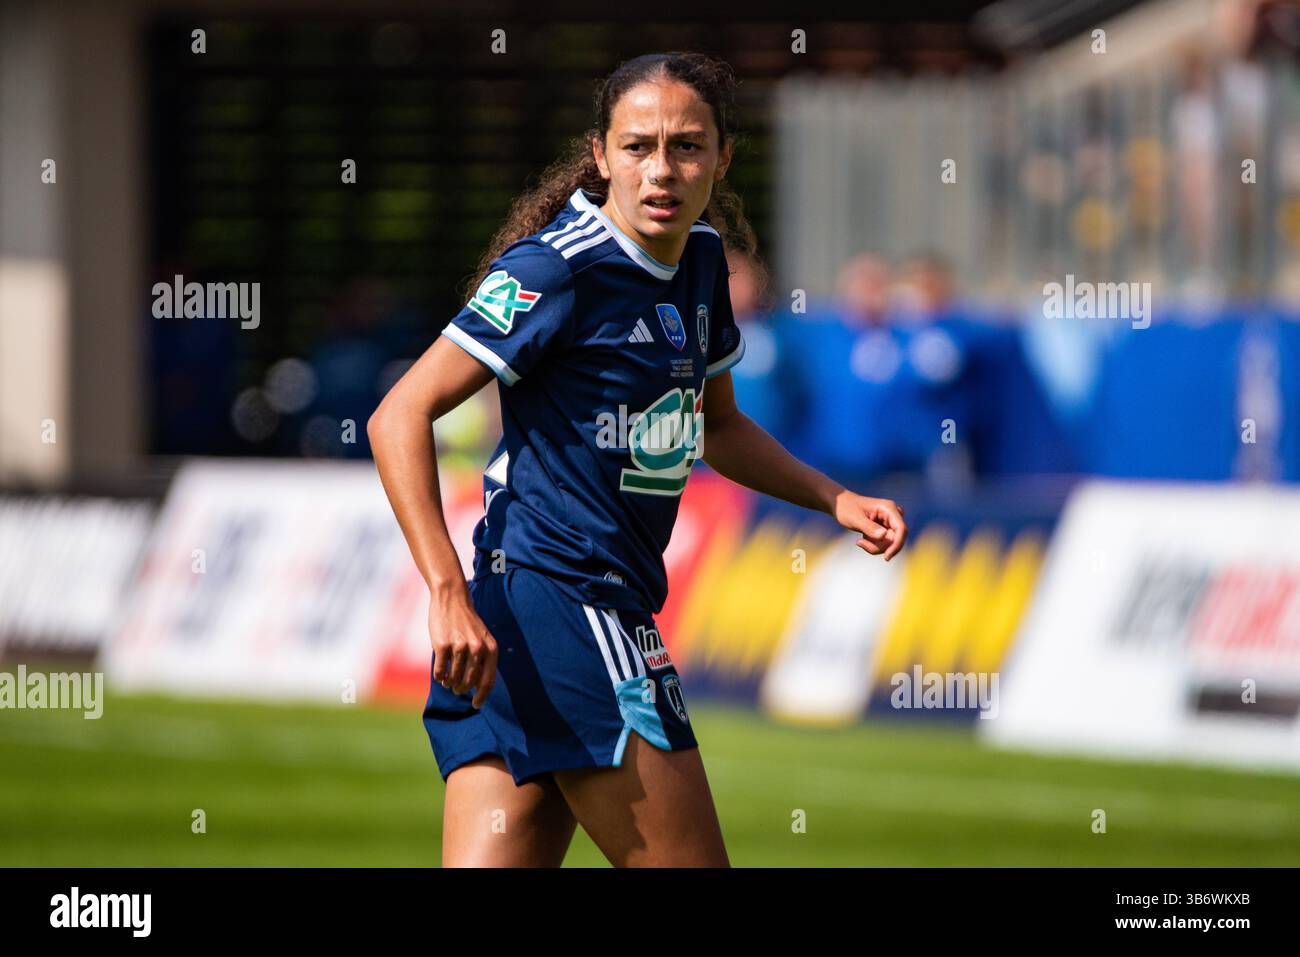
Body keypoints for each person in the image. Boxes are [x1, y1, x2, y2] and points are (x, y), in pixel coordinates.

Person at [367, 52, 908, 868]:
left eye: (687, 146)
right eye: (638, 146)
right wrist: (444, 593)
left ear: (722, 158)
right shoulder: (556, 269)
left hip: (531, 620)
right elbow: (398, 413)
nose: (662, 169)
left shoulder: (697, 264)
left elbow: (718, 427)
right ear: (600, 155)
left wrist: (830, 498)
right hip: (566, 605)